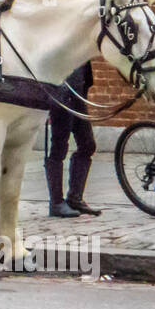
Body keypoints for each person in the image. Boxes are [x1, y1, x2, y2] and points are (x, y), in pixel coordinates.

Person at [45, 61, 100, 217]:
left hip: (78, 89)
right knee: (59, 146)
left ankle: (75, 197)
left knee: (87, 145)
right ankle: (56, 202)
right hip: (61, 91)